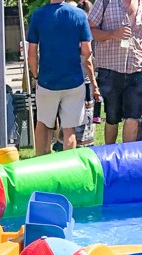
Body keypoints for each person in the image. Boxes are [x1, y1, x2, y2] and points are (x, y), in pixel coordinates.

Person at [28, 0, 98, 156]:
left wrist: (36, 74)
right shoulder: (79, 15)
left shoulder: (38, 15)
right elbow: (87, 51)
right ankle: (68, 166)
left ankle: (40, 161)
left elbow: (31, 53)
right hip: (73, 81)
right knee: (69, 129)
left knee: (43, 123)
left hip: (47, 80)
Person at [88, 0, 142, 145]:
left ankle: (127, 161)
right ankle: (109, 156)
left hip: (137, 69)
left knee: (133, 117)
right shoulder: (105, 2)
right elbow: (90, 30)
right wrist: (113, 34)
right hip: (110, 70)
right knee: (112, 118)